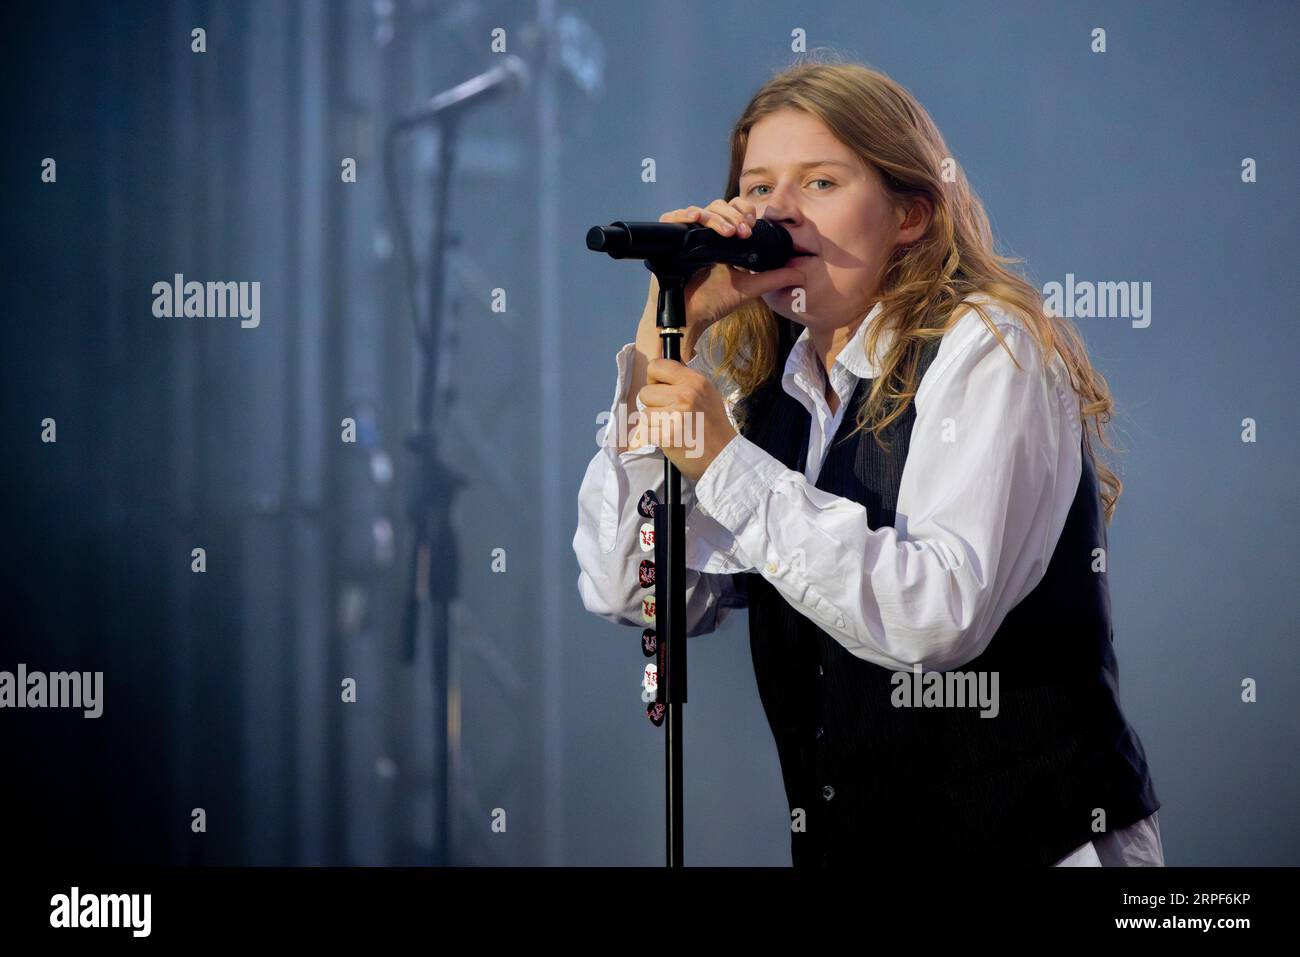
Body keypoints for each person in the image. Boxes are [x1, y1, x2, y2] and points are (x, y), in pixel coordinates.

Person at [572, 59, 1162, 867]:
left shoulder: (988, 347)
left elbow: (938, 614)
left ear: (911, 212)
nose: (775, 212)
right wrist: (658, 343)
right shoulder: (771, 407)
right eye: (756, 187)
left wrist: (725, 463)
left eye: (818, 182)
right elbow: (639, 595)